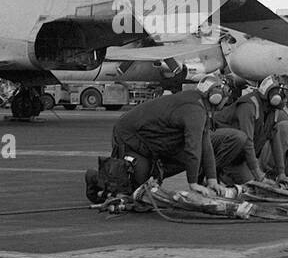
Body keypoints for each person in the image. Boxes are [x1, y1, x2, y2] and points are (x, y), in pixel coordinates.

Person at [102, 76, 239, 198]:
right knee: (133, 185)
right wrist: (193, 184)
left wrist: (212, 180)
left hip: (148, 136)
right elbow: (194, 148)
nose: (226, 100)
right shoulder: (194, 110)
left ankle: (154, 177)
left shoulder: (198, 104)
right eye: (225, 96)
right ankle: (100, 182)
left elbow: (206, 145)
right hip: (129, 134)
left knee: (163, 168)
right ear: (215, 96)